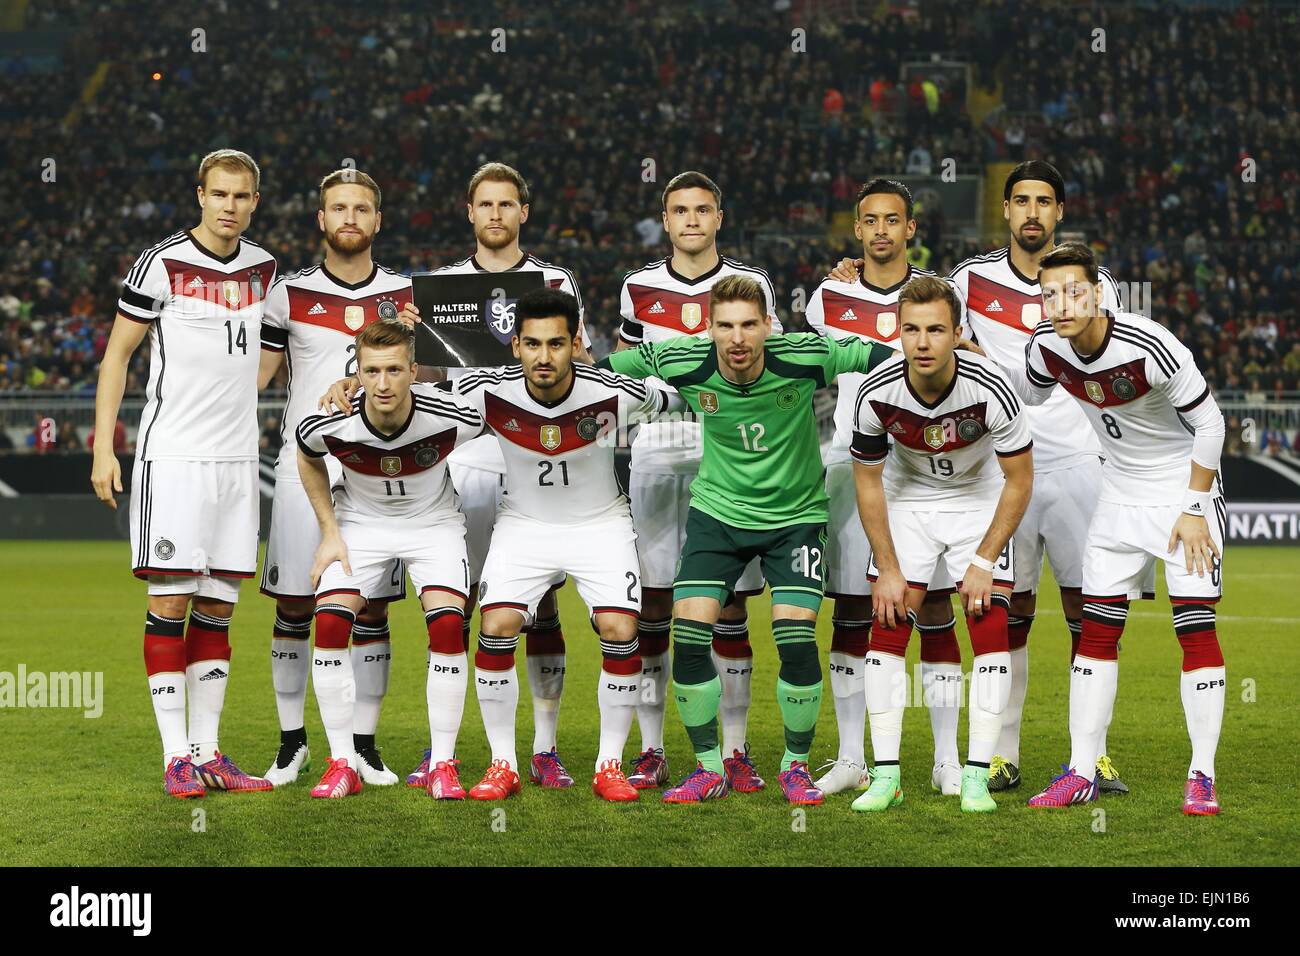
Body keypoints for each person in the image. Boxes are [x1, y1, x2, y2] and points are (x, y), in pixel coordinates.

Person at [834, 160, 1134, 793]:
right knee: (1007, 610)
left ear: (1059, 212)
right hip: (1000, 472)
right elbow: (915, 306)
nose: (1032, 211)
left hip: (1078, 461)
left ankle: (1092, 756)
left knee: (1091, 611)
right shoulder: (971, 279)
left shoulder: (1090, 280)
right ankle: (1001, 752)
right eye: (1020, 200)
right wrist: (854, 275)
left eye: (1043, 201)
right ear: (1005, 210)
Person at [602, 274, 893, 805]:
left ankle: (795, 765)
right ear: (708, 329)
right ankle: (709, 767)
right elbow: (603, 370)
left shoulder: (806, 354)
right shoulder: (683, 359)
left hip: (796, 517)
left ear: (767, 327)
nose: (737, 339)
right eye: (725, 326)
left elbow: (878, 355)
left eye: (748, 326)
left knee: (795, 638)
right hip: (718, 513)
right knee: (689, 635)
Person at [1012, 243, 1226, 815]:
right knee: (1098, 631)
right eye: (1049, 292)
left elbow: (1211, 422)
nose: (1061, 302)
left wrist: (1195, 507)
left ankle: (1201, 775)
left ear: (1098, 292)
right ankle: (1081, 772)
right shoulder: (1045, 346)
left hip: (1182, 492)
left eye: (1074, 290)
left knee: (1195, 628)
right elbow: (1030, 391)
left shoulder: (1148, 343)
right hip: (1117, 493)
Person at [443, 288, 679, 801]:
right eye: (531, 344)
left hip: (601, 524)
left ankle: (609, 765)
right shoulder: (488, 394)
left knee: (620, 628)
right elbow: (417, 406)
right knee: (496, 623)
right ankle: (502, 763)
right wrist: (354, 386)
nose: (543, 356)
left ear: (576, 342)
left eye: (555, 343)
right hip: (524, 523)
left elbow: (678, 397)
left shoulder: (613, 392)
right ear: (514, 345)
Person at [91, 148, 277, 798]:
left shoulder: (265, 270)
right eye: (219, 193)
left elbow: (273, 352)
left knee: (219, 613)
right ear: (200, 194)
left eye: (242, 196)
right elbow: (117, 356)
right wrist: (103, 448)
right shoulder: (161, 262)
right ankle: (176, 757)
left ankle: (210, 752)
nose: (230, 205)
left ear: (255, 201)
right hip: (172, 458)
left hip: (236, 463)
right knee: (170, 603)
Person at [408, 162, 589, 792]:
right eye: (484, 204)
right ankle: (447, 751)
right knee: (458, 608)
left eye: (506, 204)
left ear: (523, 214)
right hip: (464, 463)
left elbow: (581, 361)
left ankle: (542, 749)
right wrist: (412, 350)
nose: (495, 214)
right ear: (470, 212)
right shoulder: (441, 289)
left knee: (538, 608)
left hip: (534, 461)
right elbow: (430, 385)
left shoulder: (553, 281)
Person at [614, 170, 782, 793]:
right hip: (658, 455)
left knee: (731, 607)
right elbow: (630, 370)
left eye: (702, 210)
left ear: (719, 217)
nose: (691, 220)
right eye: (679, 210)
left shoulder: (751, 285)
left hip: (727, 457)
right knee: (654, 603)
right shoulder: (638, 287)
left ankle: (735, 752)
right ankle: (653, 749)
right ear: (666, 219)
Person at [807, 178, 967, 797]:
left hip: (922, 471)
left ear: (910, 229)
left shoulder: (938, 297)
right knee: (851, 610)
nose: (880, 231)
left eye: (892, 220)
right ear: (857, 228)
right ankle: (853, 757)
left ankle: (948, 759)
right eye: (869, 220)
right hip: (853, 468)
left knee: (932, 610)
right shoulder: (828, 295)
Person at [850, 276, 1033, 814]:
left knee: (988, 624)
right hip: (908, 500)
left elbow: (1020, 480)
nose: (923, 342)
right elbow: (867, 481)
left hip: (979, 500)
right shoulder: (876, 391)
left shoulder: (992, 387)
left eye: (935, 330)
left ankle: (975, 774)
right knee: (886, 622)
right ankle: (886, 776)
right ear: (898, 332)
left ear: (957, 332)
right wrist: (886, 566)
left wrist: (983, 559)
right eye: (911, 330)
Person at [256, 169, 413, 787]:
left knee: (370, 610)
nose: (349, 218)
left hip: (379, 474)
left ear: (378, 221)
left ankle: (364, 746)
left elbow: (422, 382)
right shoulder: (286, 296)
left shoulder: (404, 295)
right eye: (337, 208)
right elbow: (259, 379)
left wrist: (418, 336)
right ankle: (292, 743)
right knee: (295, 607)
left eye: (362, 209)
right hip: (306, 470)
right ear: (321, 220)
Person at [296, 320, 484, 799]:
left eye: (395, 370)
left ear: (414, 371)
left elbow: (501, 397)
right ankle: (342, 763)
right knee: (332, 624)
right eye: (372, 371)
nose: (383, 383)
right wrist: (329, 532)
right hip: (360, 525)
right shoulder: (329, 420)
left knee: (446, 625)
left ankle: (443, 763)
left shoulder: (451, 415)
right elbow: (306, 453)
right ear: (356, 373)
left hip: (434, 525)